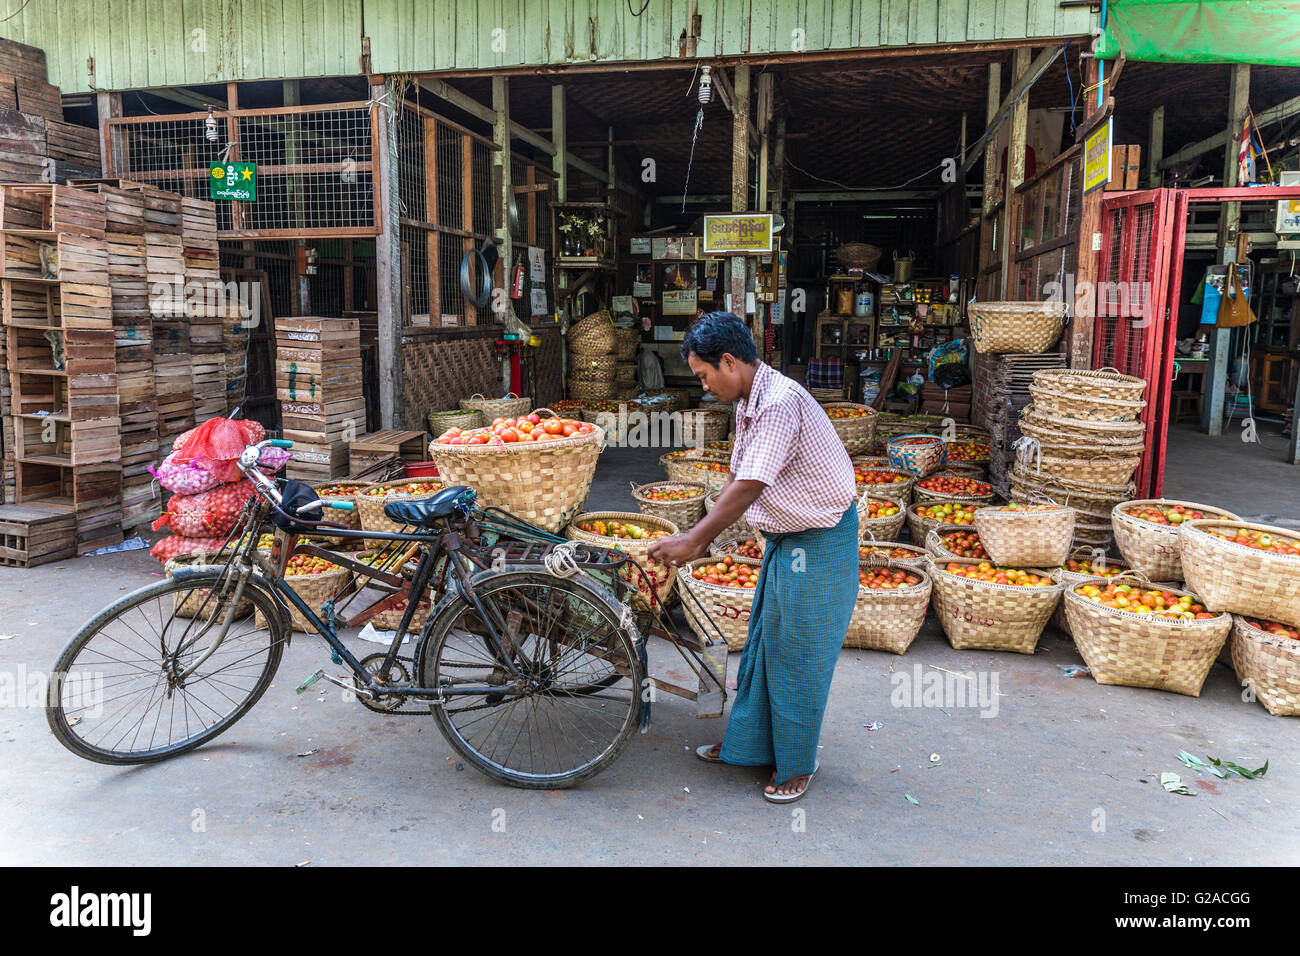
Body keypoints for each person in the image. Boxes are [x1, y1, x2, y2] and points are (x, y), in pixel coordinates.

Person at [647, 312, 858, 803]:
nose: (704, 387)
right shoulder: (750, 399)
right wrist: (708, 533)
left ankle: (797, 765)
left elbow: (751, 484)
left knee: (799, 655)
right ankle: (750, 744)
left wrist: (695, 540)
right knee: (764, 644)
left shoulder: (779, 402)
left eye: (703, 377)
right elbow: (738, 477)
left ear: (728, 361)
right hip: (790, 538)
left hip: (820, 541)